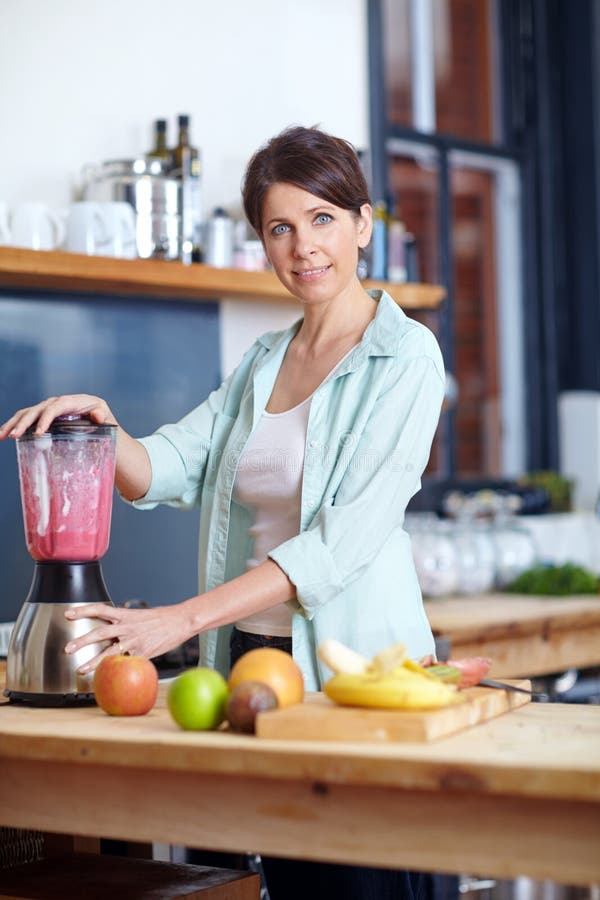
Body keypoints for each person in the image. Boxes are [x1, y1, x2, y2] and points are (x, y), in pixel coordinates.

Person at [0, 125, 446, 900]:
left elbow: (342, 541)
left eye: (322, 219)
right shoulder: (264, 360)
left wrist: (182, 619)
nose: (303, 247)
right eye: (280, 227)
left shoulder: (405, 357)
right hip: (250, 661)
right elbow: (178, 461)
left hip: (351, 669)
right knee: (295, 883)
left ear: (363, 224)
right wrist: (105, 432)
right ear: (263, 243)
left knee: (366, 884)